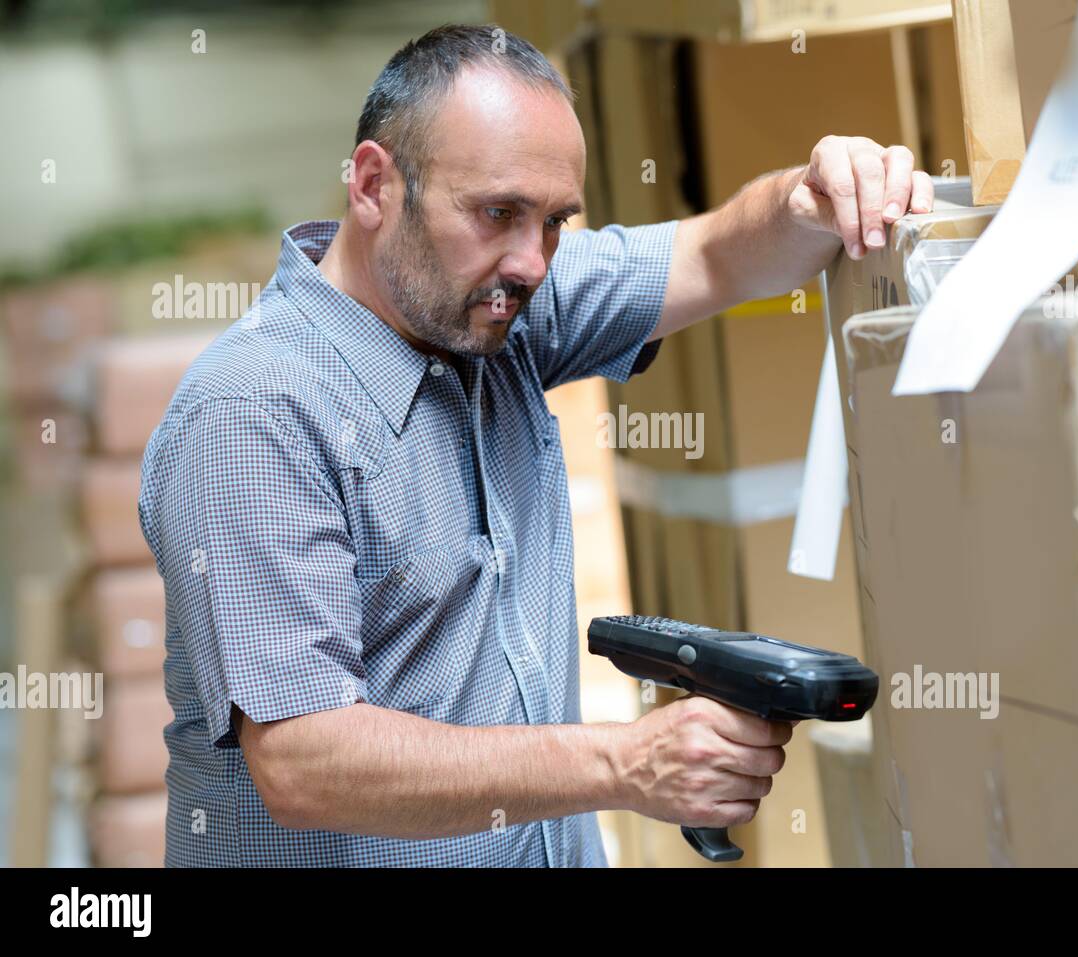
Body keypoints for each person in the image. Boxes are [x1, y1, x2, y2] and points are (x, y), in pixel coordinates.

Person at [139, 23, 934, 867]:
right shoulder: (254, 411)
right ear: (374, 184)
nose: (530, 261)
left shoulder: (498, 308)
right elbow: (304, 758)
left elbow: (717, 256)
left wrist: (812, 199)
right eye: (497, 212)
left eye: (554, 221)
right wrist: (623, 762)